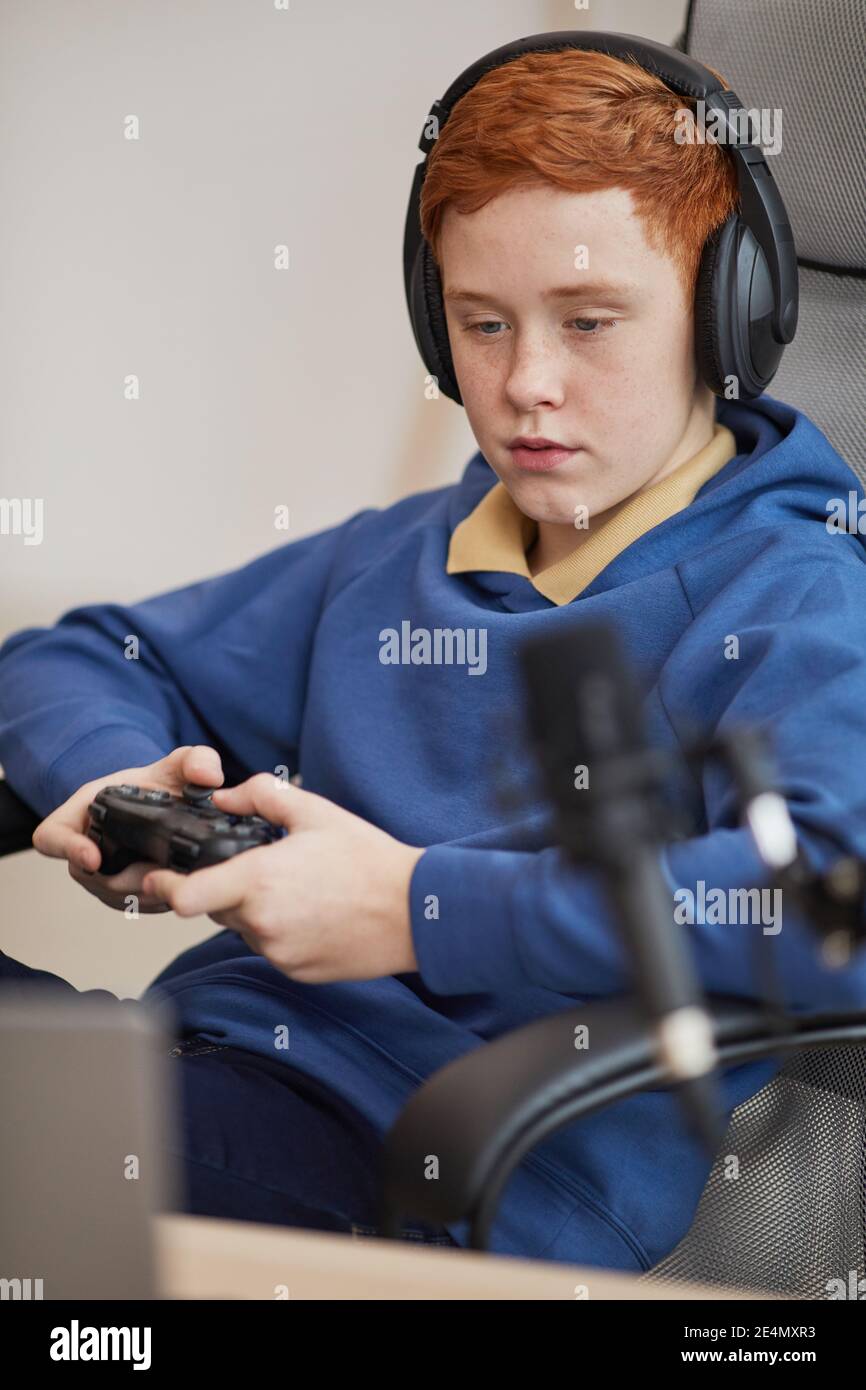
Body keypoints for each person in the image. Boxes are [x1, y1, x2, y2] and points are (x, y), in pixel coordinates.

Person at [2, 43, 866, 1272]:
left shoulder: (792, 595)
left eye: (588, 323)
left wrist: (414, 911)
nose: (525, 385)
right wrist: (118, 778)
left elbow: (826, 908)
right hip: (206, 1067)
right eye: (480, 323)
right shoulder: (408, 553)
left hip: (426, 1165)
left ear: (723, 318)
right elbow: (76, 655)